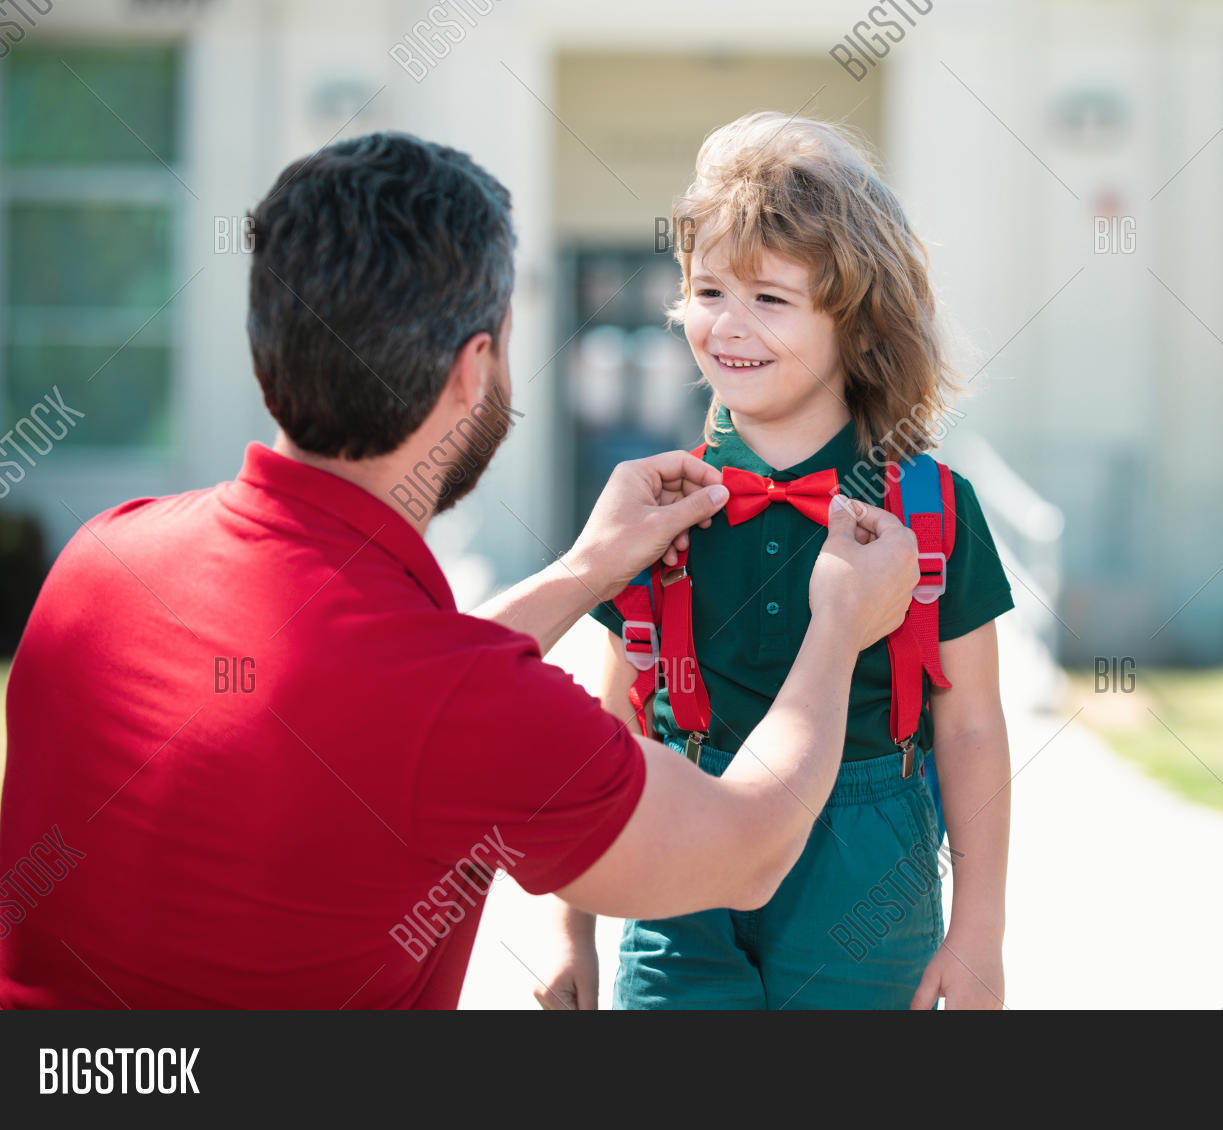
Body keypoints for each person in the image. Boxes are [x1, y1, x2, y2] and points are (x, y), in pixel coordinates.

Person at [0, 131, 919, 1009]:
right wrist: (840, 624)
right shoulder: (458, 706)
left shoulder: (102, 558)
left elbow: (372, 700)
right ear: (473, 368)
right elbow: (748, 849)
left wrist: (585, 569)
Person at [539, 113, 1016, 1011]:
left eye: (770, 298)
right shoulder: (655, 506)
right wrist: (572, 930)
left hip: (866, 874)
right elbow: (614, 723)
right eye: (709, 290)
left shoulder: (933, 508)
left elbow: (972, 730)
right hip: (679, 852)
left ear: (858, 327)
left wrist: (979, 930)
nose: (729, 325)